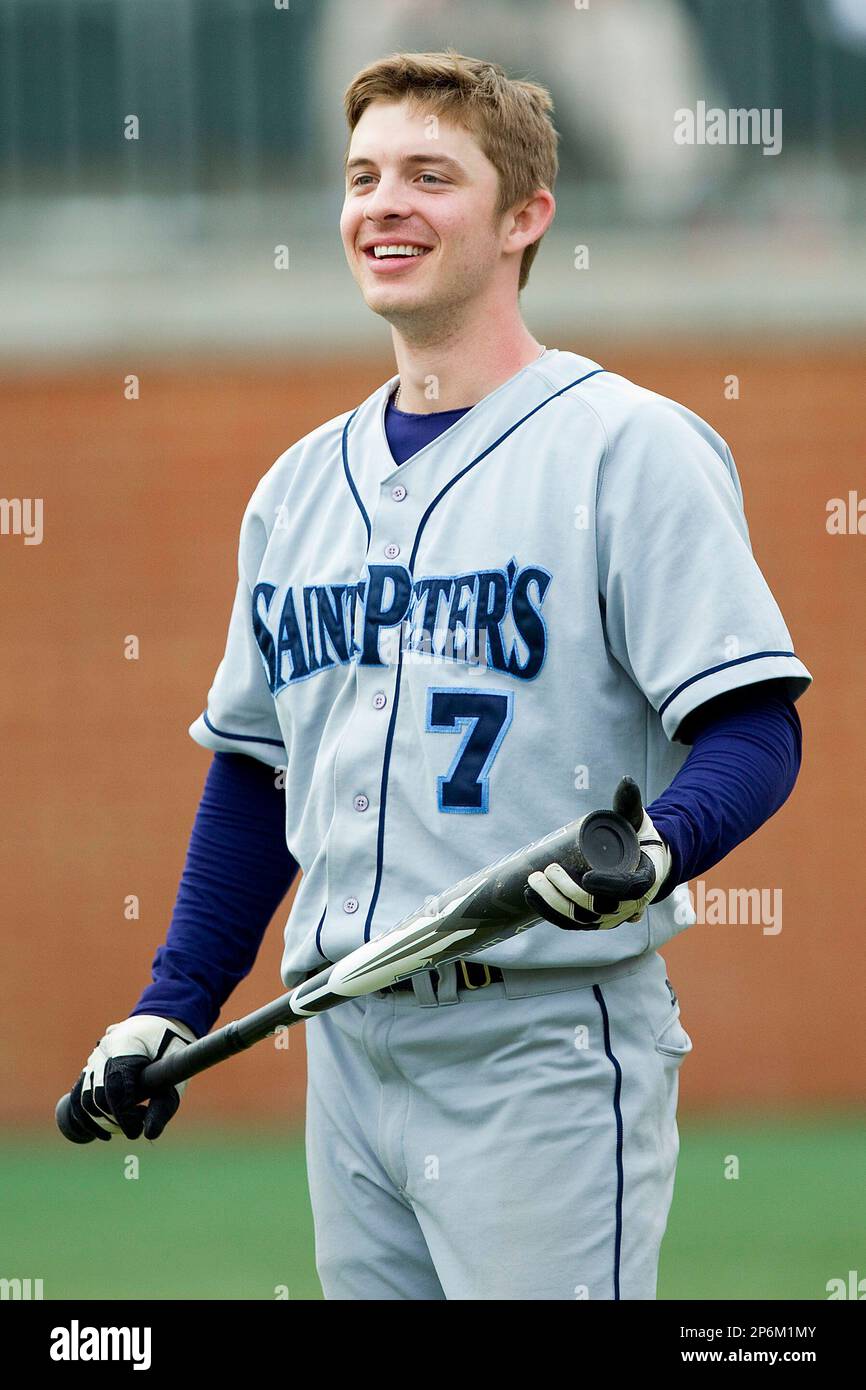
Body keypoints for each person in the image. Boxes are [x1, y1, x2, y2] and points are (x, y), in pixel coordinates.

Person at [64, 51, 810, 1301]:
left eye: (427, 175)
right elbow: (257, 774)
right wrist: (173, 1002)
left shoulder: (626, 449)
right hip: (346, 1048)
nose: (381, 204)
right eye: (360, 178)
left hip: (541, 1049)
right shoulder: (296, 488)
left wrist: (658, 849)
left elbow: (751, 729)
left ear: (524, 218)